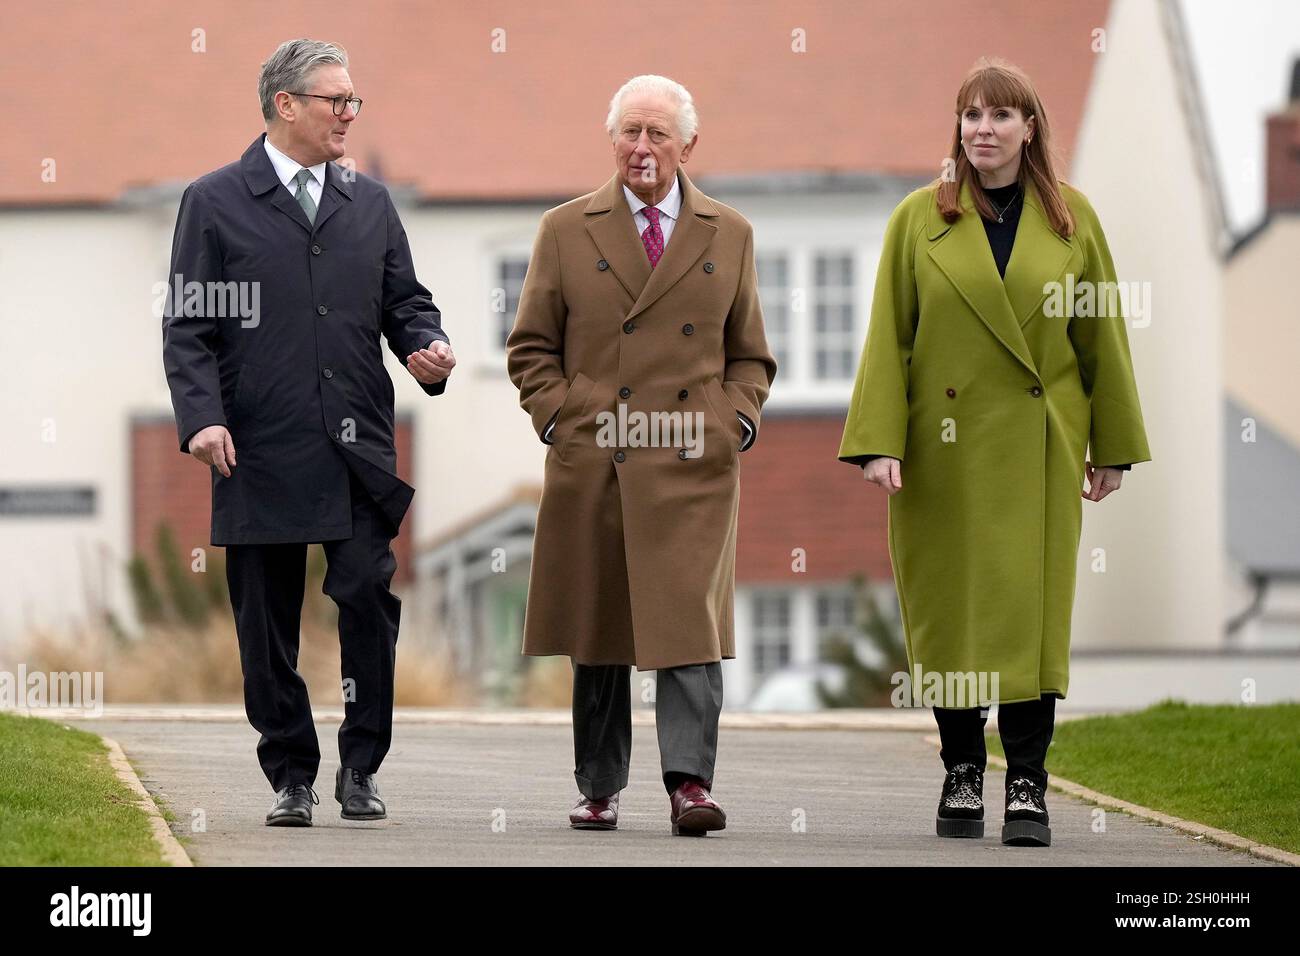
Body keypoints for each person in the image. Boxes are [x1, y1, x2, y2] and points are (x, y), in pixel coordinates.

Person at [838, 57, 1151, 847]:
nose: (983, 129)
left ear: (1029, 127)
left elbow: (1101, 338)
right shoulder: (918, 219)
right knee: (949, 614)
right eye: (972, 116)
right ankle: (961, 771)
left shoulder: (1073, 220)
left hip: (1040, 446)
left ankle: (1029, 788)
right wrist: (877, 442)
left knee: (1029, 617)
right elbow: (889, 337)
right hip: (939, 451)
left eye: (1000, 116)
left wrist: (1111, 445)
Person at [161, 38, 455, 827]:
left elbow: (405, 303)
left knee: (365, 594)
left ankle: (362, 766)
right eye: (336, 100)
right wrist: (202, 420)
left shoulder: (371, 201)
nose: (349, 115)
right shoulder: (215, 200)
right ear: (285, 104)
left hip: (356, 444)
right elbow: (188, 327)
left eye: (354, 101)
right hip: (254, 445)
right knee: (266, 620)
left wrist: (426, 347)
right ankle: (291, 772)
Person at [507, 74, 776, 836]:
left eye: (658, 134)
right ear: (612, 140)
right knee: (600, 631)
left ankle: (690, 785)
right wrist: (567, 417)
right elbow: (530, 349)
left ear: (689, 146)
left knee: (689, 624)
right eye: (630, 131)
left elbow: (751, 358)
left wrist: (734, 423)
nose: (642, 147)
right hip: (600, 458)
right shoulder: (566, 228)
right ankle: (599, 787)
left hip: (694, 461)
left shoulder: (731, 232)